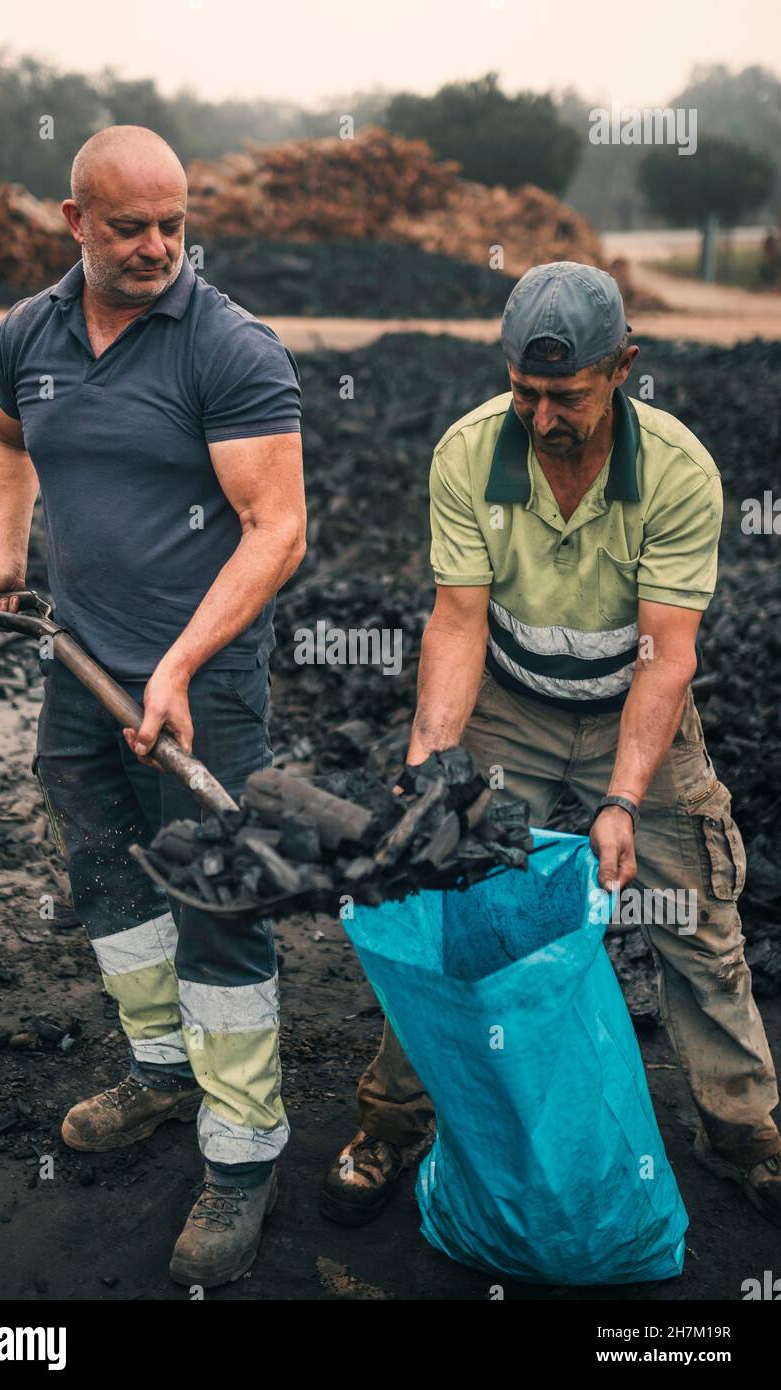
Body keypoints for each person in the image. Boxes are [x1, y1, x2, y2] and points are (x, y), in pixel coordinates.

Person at [320, 261, 781, 1230]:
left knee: (693, 911)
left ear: (622, 367)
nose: (537, 416)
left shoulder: (677, 472)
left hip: (634, 707)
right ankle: (394, 1119)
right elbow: (454, 623)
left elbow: (665, 659)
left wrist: (619, 799)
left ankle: (740, 1128)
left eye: (562, 395)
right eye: (521, 391)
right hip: (511, 704)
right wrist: (427, 776)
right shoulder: (466, 455)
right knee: (438, 892)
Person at [0, 125, 306, 1288]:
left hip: (204, 686)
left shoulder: (228, 347)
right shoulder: (28, 334)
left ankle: (243, 1150)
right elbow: (7, 439)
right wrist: (10, 558)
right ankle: (161, 1069)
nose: (158, 246)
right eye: (129, 227)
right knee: (105, 877)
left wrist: (180, 665)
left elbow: (276, 528)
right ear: (74, 223)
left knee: (217, 899)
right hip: (78, 664)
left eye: (175, 223)